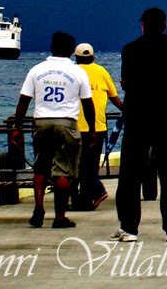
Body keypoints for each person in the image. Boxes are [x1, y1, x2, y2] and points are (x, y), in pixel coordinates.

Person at [116, 6, 167, 242]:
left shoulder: (130, 50)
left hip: (137, 116)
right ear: (165, 25)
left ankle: (128, 228)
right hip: (166, 117)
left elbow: (126, 82)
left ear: (143, 26)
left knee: (130, 173)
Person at [13, 31, 94, 230]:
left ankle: (39, 207)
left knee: (40, 167)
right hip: (66, 122)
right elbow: (88, 104)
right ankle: (59, 217)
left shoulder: (37, 70)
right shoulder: (78, 72)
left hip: (41, 121)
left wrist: (17, 126)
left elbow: (24, 101)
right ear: (70, 51)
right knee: (63, 171)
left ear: (51, 47)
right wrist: (91, 130)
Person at [73, 43, 121, 211]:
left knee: (77, 165)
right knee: (90, 164)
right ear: (93, 57)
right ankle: (90, 195)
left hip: (75, 126)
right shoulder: (102, 71)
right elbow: (114, 96)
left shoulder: (73, 71)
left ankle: (87, 197)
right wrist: (126, 110)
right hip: (98, 126)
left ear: (76, 57)